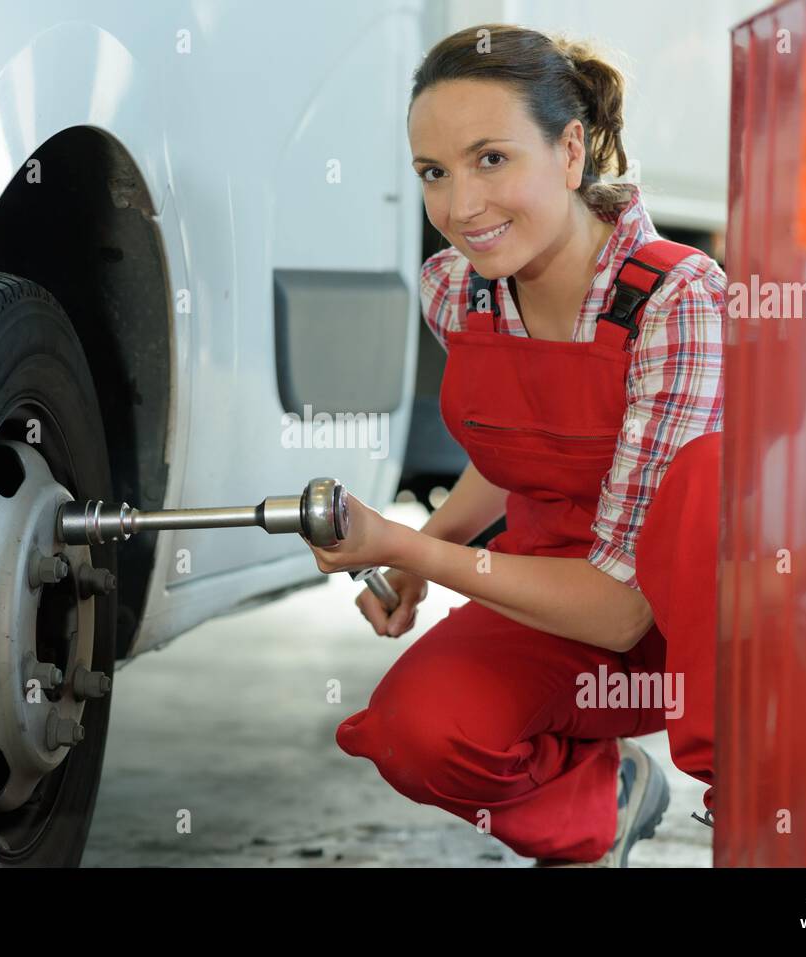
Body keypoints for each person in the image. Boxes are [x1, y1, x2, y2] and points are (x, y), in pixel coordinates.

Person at [305, 24, 723, 867]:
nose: (461, 208)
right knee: (417, 732)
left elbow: (621, 609)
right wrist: (427, 553)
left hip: (691, 628)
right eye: (434, 172)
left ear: (571, 151)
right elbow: (517, 446)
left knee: (709, 476)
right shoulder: (457, 290)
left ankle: (748, 800)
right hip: (547, 599)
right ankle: (602, 803)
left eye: (491, 158)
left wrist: (393, 537)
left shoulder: (677, 300)